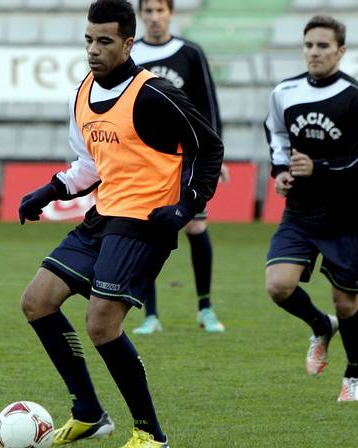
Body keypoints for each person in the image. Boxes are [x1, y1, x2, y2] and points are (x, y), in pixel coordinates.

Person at [18, 1, 223, 446]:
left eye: (104, 41)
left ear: (128, 44)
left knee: (101, 325)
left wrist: (186, 206)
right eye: (88, 40)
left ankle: (150, 433)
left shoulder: (155, 94)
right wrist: (49, 190)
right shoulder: (82, 93)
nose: (93, 49)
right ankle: (89, 413)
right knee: (37, 301)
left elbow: (208, 148)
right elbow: (90, 165)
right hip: (104, 216)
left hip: (145, 223)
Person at [263, 15, 358, 402]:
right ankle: (319, 326)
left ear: (340, 51)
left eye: (323, 46)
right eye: (309, 45)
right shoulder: (285, 91)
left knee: (346, 304)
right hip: (300, 211)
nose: (314, 52)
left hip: (346, 214)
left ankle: (353, 374)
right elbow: (277, 133)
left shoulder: (355, 97)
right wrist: (281, 171)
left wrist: (320, 168)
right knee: (278, 285)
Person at [130, 0, 227, 335]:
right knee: (148, 228)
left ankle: (205, 308)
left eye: (160, 10)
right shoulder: (132, 53)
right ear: (141, 15)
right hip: (147, 158)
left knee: (196, 227)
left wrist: (215, 156)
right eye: (148, 11)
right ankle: (151, 315)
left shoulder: (190, 52)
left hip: (187, 156)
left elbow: (208, 105)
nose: (154, 17)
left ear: (171, 14)